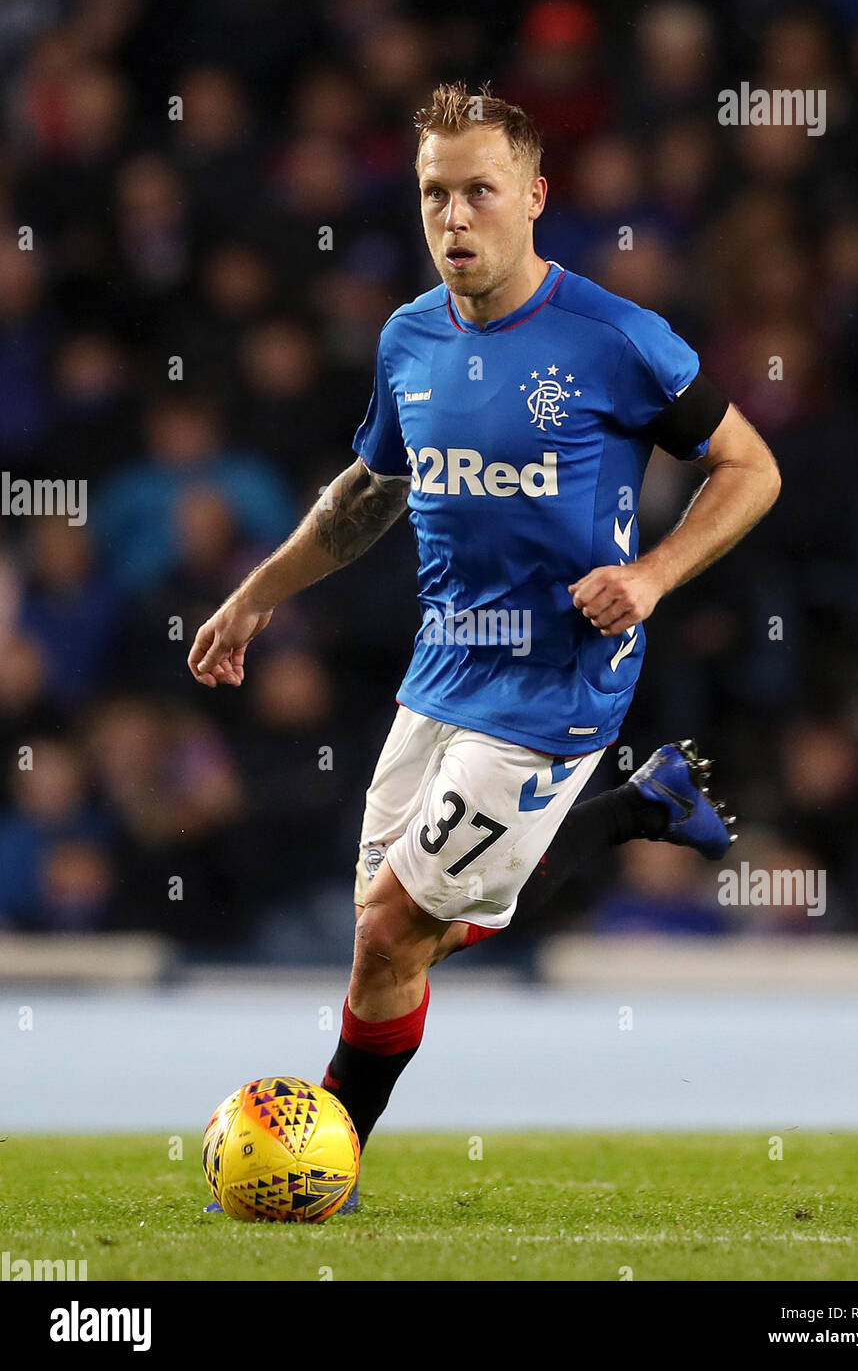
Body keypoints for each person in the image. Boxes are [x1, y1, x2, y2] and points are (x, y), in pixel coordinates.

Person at [189, 83, 780, 1212]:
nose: (453, 218)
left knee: (387, 930)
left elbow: (749, 467)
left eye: (477, 193)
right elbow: (371, 491)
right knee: (395, 944)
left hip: (558, 682)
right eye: (431, 195)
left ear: (533, 197)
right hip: (441, 673)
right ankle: (635, 810)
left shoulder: (614, 339)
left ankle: (315, 1163)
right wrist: (259, 592)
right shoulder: (408, 336)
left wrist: (651, 575)